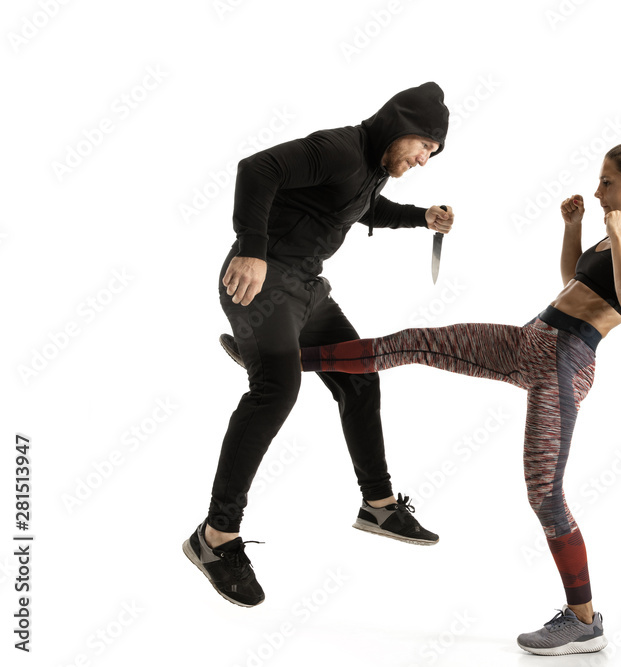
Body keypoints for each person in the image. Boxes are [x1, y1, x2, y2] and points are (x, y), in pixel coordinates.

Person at [296, 142, 621, 655]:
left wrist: (613, 231)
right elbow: (575, 281)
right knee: (419, 341)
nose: (597, 190)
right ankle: (286, 362)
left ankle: (584, 620)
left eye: (607, 183)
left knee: (545, 495)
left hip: (565, 364)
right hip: (530, 341)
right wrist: (574, 229)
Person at [183, 82, 455, 608]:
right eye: (425, 147)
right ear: (402, 126)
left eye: (432, 156)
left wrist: (421, 216)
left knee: (359, 373)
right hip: (262, 285)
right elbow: (257, 168)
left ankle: (377, 505)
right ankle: (215, 538)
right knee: (276, 390)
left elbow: (360, 210)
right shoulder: (339, 149)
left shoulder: (369, 169)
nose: (424, 160)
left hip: (308, 291)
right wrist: (252, 249)